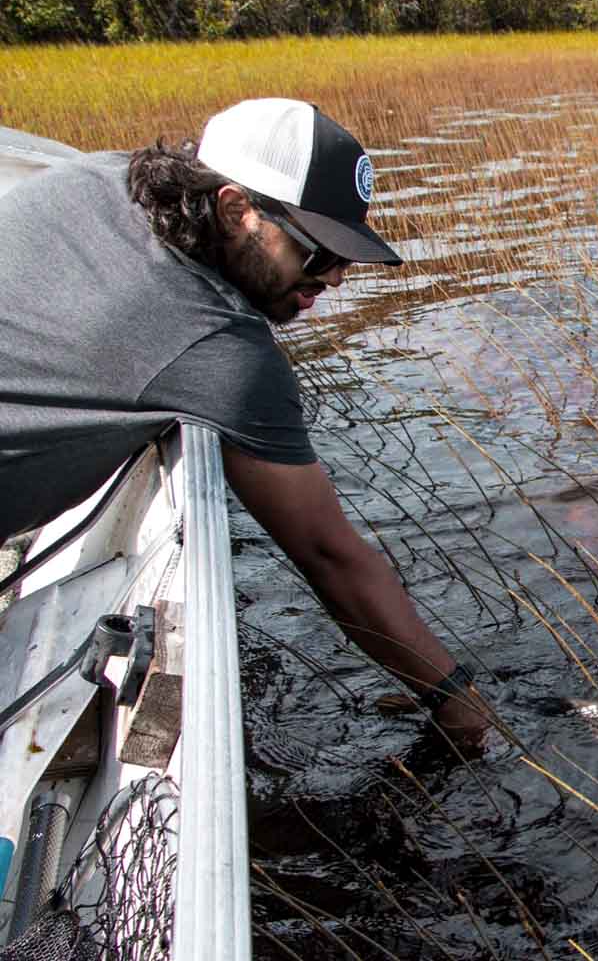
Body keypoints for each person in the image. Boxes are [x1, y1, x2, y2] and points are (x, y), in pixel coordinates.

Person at [0, 98, 489, 748]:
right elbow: (329, 556)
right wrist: (455, 699)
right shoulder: (218, 353)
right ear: (235, 209)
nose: (338, 279)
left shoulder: (103, 177)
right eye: (319, 253)